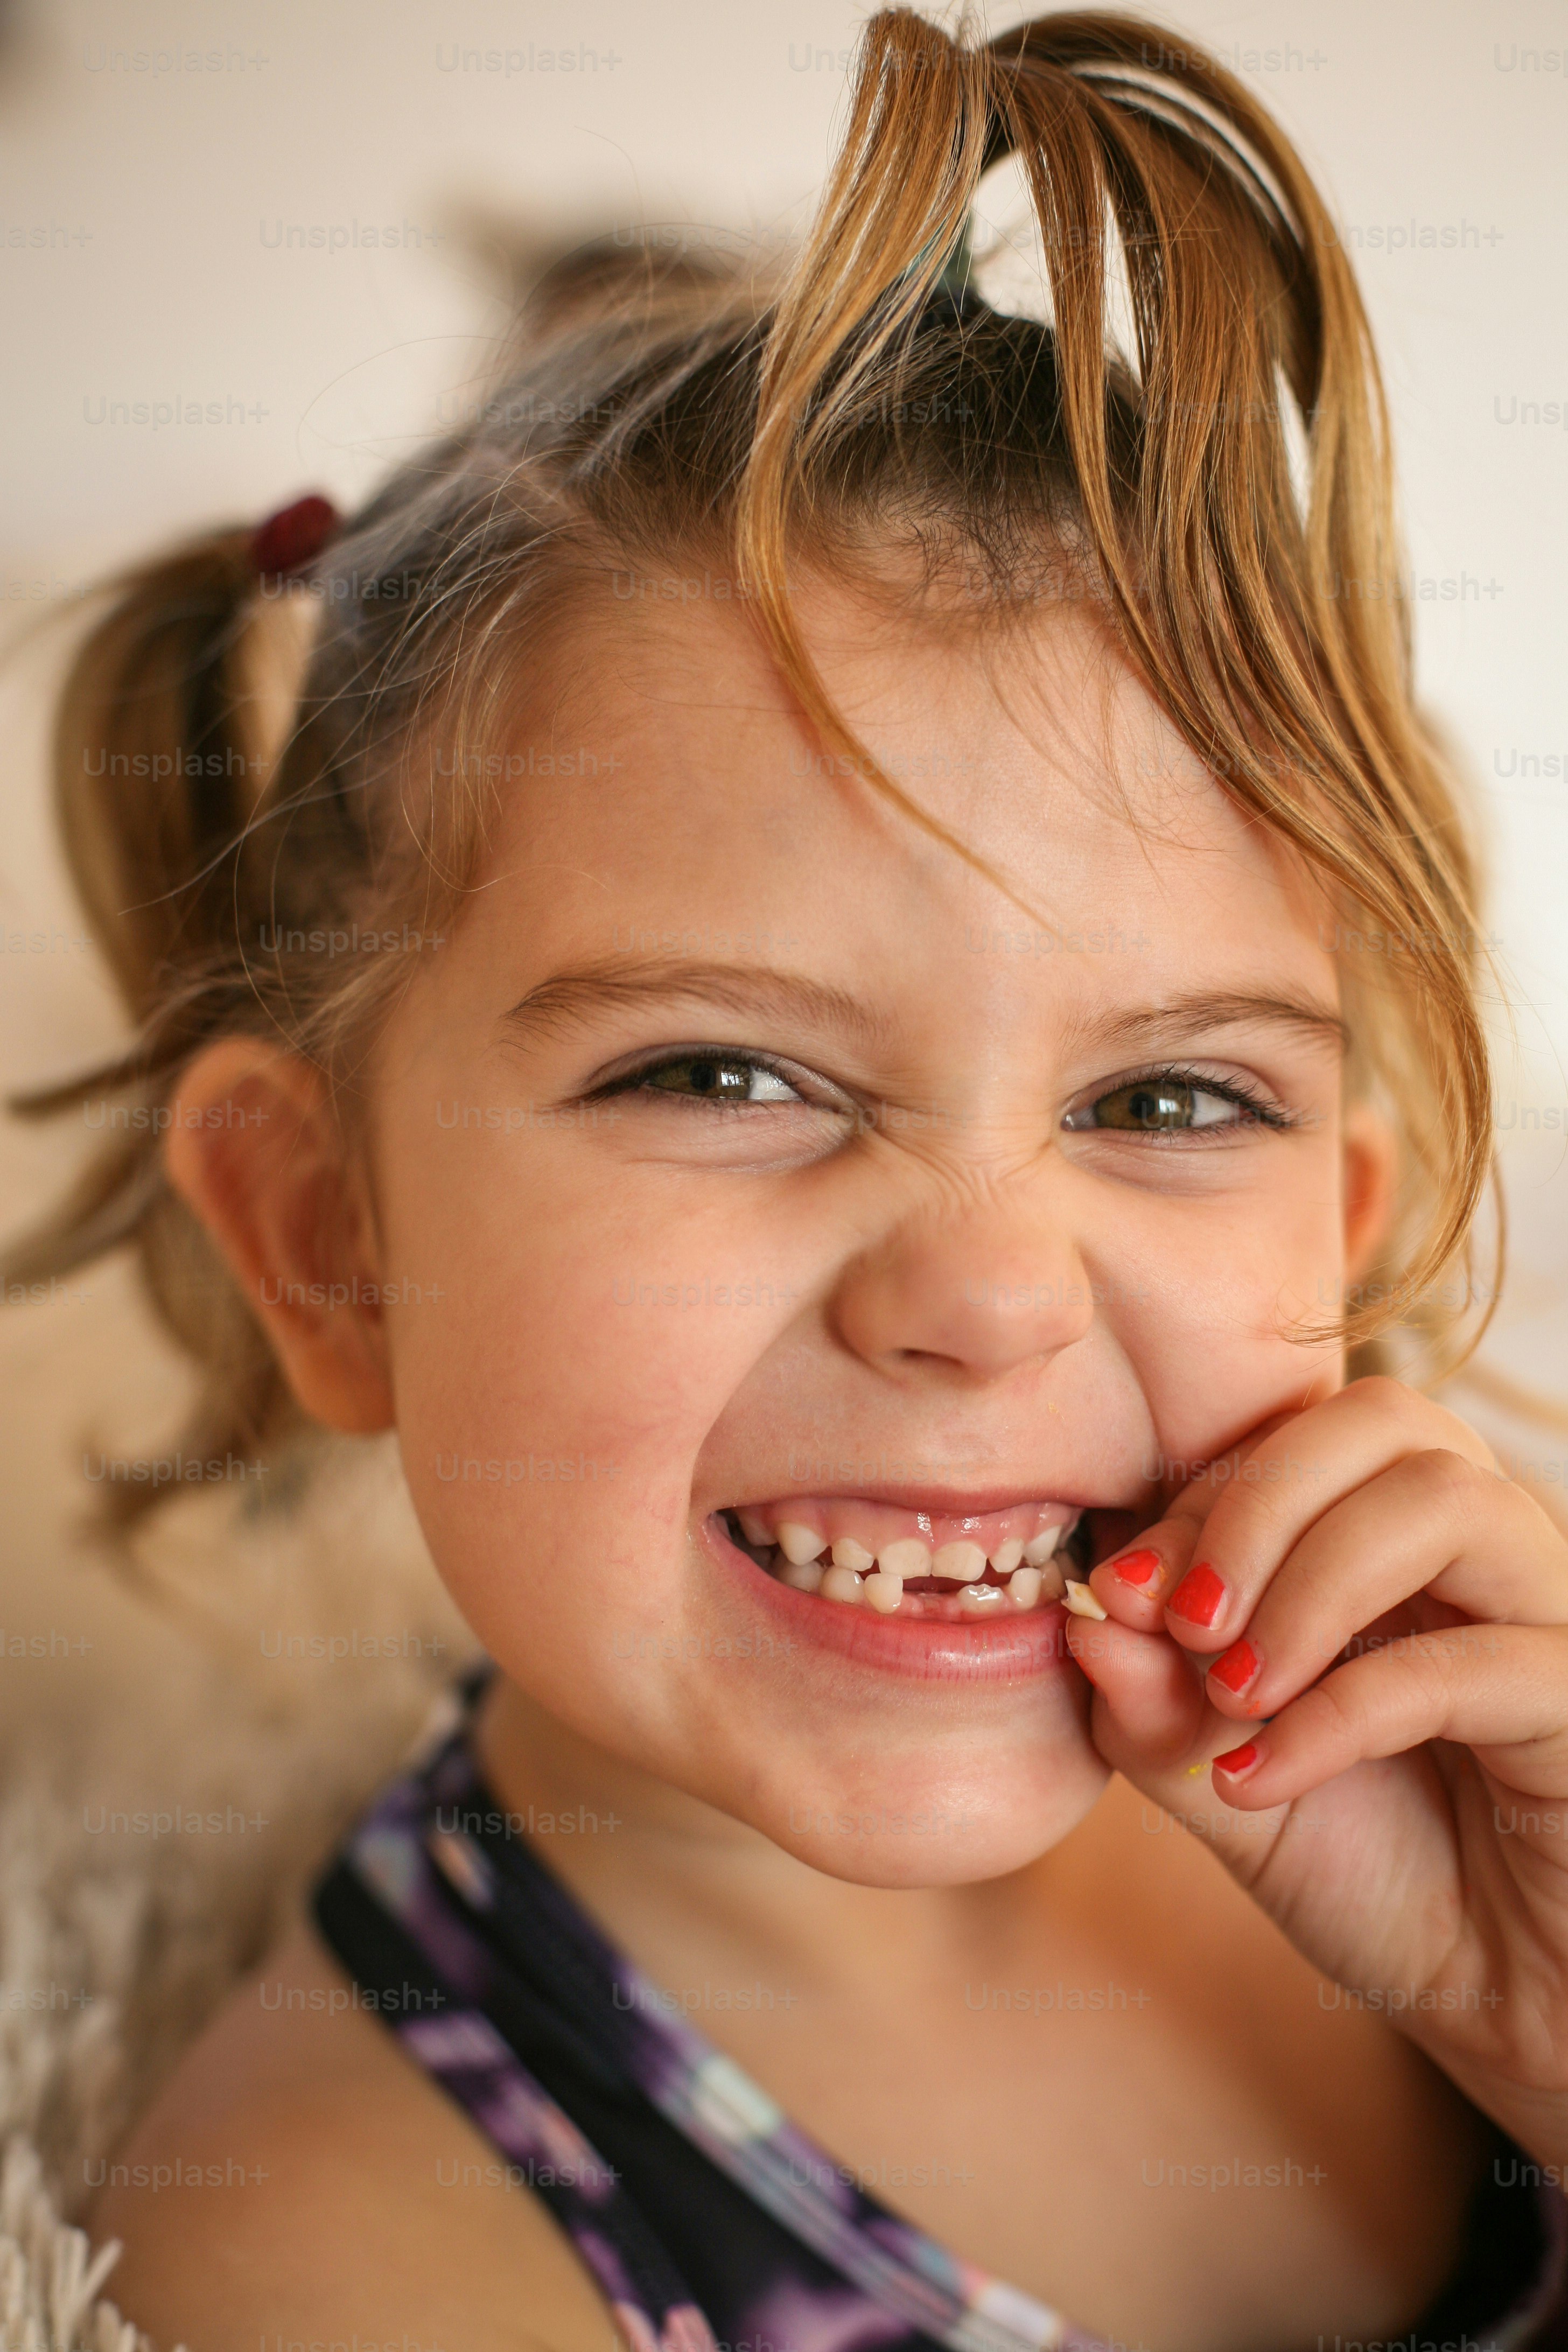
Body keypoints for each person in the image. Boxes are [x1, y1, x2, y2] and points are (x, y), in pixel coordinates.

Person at [17, 11, 1568, 2348]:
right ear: (330, 1246)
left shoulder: (1477, 1809)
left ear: (1337, 1248)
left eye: (1165, 1104)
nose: (984, 1297)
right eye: (726, 1072)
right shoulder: (348, 2258)